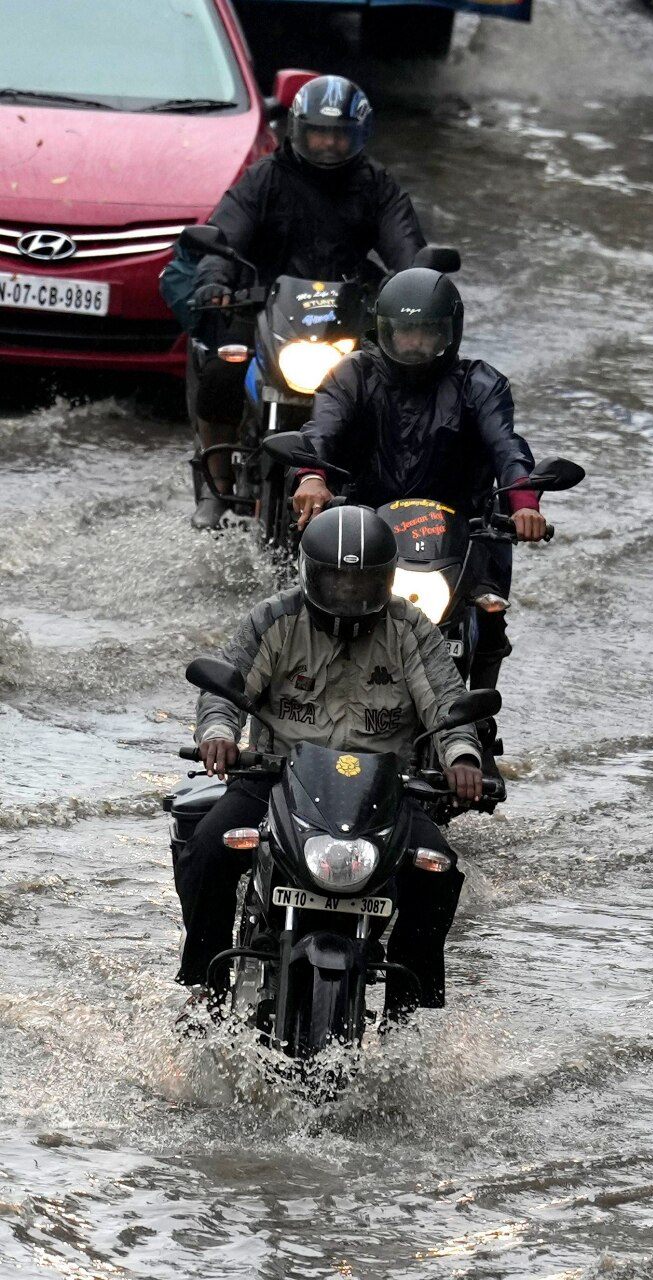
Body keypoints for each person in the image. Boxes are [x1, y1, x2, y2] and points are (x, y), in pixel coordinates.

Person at [174, 506, 483, 1024]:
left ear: (387, 579)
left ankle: (407, 1013)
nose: (349, 594)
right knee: (207, 850)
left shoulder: (411, 629)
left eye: (362, 582)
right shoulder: (274, 619)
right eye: (337, 580)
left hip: (383, 791)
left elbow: (448, 704)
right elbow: (225, 688)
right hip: (276, 780)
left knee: (437, 870)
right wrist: (219, 736)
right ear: (309, 573)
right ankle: (207, 986)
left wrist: (463, 759)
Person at [186, 74, 426, 529]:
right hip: (265, 306)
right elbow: (225, 235)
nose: (329, 144)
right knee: (221, 365)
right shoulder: (265, 177)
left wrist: (417, 288)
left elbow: (406, 249)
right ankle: (217, 482)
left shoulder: (377, 185)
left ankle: (389, 486)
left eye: (339, 134)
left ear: (359, 134)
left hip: (348, 314)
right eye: (319, 132)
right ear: (298, 130)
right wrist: (216, 281)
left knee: (402, 380)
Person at [292, 267, 547, 695]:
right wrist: (312, 477)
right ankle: (303, 696)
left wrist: (524, 504)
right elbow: (321, 431)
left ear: (450, 332)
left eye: (427, 332)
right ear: (385, 330)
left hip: (462, 532)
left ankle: (481, 716)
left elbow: (508, 447)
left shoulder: (480, 384)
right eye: (404, 331)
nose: (414, 343)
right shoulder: (352, 374)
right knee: (315, 604)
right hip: (364, 525)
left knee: (490, 612)